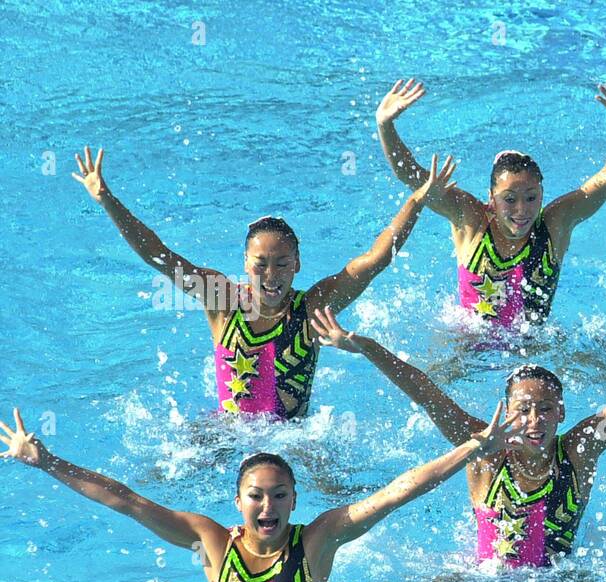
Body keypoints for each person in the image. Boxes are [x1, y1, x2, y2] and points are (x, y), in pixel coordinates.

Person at [0, 404, 521, 582]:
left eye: (277, 495)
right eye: (255, 495)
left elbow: (395, 492)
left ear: (294, 500)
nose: (266, 505)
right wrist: (47, 462)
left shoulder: (318, 541)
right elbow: (129, 501)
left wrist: (470, 449)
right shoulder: (211, 542)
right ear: (238, 501)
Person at [309, 301, 606, 566]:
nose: (534, 420)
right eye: (523, 410)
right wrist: (364, 346)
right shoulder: (482, 450)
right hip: (483, 581)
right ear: (506, 412)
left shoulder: (579, 451)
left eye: (545, 410)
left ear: (561, 414)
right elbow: (425, 392)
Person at [72, 147, 443, 419]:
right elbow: (160, 255)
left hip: (295, 440)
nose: (271, 275)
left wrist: (416, 201)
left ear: (297, 264)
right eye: (261, 264)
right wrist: (107, 200)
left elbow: (373, 262)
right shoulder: (221, 300)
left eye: (282, 263)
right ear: (245, 264)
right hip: (228, 432)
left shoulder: (311, 309)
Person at [376, 79, 606, 330]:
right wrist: (385, 126)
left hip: (536, 346)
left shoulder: (555, 224)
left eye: (531, 197)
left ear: (542, 194)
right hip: (469, 342)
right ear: (491, 199)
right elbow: (411, 176)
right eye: (509, 199)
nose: (522, 210)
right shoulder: (471, 220)